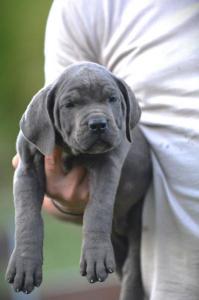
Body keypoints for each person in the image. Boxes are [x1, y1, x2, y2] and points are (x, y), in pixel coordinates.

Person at [13, 0, 199, 299]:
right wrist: (36, 237)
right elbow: (47, 168)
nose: (97, 117)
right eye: (75, 104)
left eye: (109, 100)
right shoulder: (86, 7)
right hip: (165, 278)